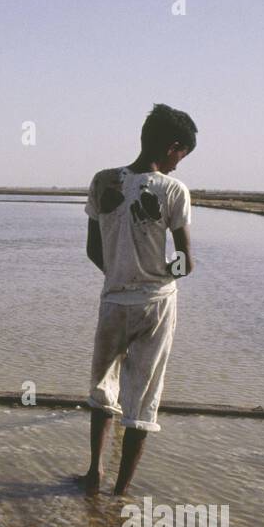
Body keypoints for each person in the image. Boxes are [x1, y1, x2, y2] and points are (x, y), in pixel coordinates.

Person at [79, 104, 196, 496]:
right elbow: (184, 261)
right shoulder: (173, 190)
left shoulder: (102, 181)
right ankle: (121, 492)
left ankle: (94, 473)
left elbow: (94, 250)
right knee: (143, 398)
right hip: (156, 304)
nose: (179, 165)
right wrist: (161, 275)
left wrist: (121, 275)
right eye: (181, 155)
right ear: (172, 147)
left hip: (114, 300)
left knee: (103, 388)